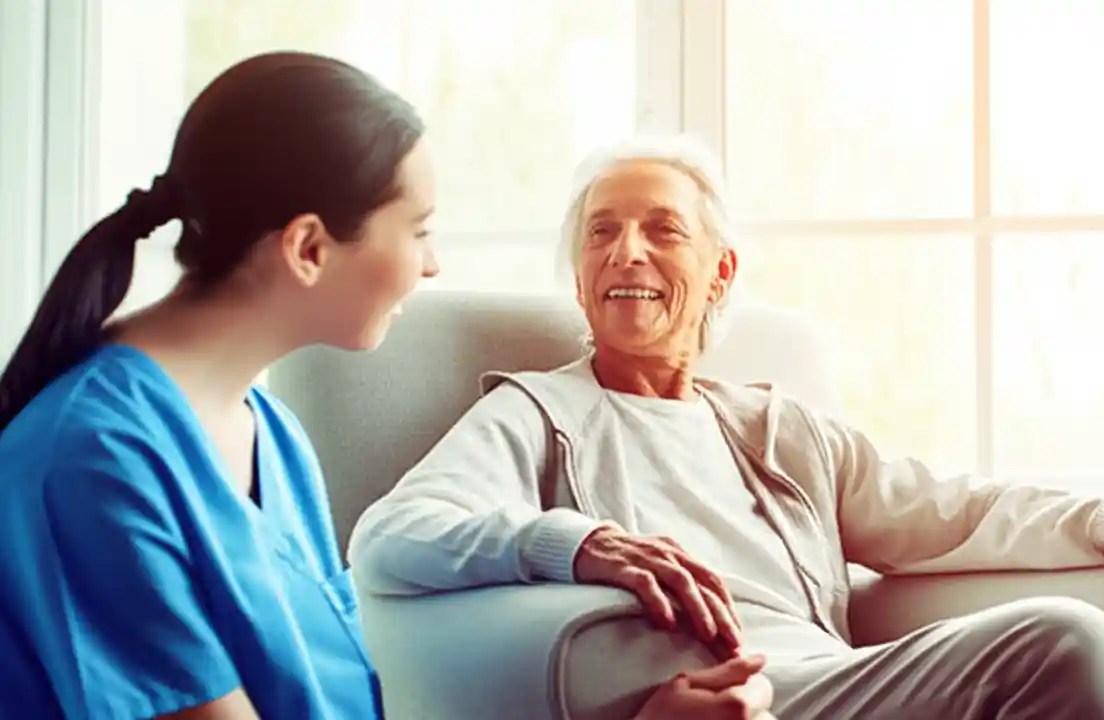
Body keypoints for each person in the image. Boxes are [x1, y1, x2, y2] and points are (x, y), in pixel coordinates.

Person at [348, 135, 1104, 720]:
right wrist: (580, 545)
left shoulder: (781, 431)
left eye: (662, 230)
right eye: (600, 234)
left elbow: (951, 509)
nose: (626, 252)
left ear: (718, 272)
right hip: (733, 698)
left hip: (839, 684)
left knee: (1078, 642)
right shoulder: (537, 412)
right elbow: (390, 537)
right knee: (1071, 640)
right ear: (580, 280)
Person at [0, 55, 769, 719]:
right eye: (420, 229)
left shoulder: (274, 437)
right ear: (308, 247)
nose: (432, 265)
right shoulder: (95, 461)